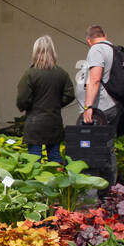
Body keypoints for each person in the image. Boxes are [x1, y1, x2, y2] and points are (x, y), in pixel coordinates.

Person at [16, 35, 74, 163]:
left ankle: (37, 182)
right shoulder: (62, 73)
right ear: (53, 52)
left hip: (34, 123)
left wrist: (28, 106)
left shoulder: (30, 74)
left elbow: (22, 99)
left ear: (35, 52)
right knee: (55, 157)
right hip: (54, 121)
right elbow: (70, 94)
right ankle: (57, 182)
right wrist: (57, 104)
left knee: (34, 161)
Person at [79, 24, 124, 131]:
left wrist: (87, 107)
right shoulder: (113, 49)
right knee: (106, 144)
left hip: (102, 108)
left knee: (92, 145)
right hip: (113, 105)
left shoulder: (97, 49)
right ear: (105, 36)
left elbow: (95, 79)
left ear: (88, 40)